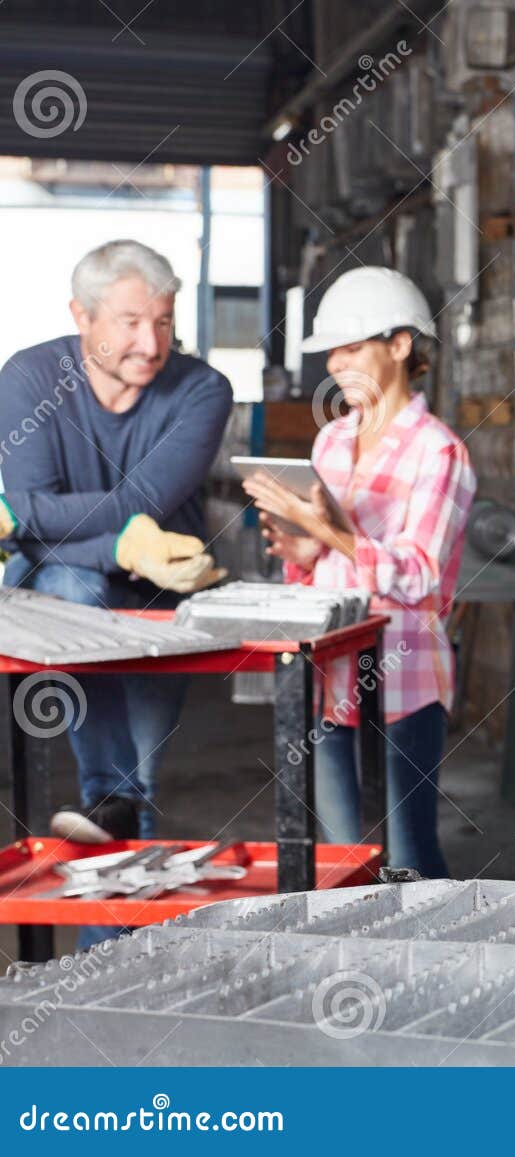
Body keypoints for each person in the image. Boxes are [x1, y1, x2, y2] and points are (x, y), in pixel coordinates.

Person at [243, 266, 475, 879]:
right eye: (332, 351)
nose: (337, 364)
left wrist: (325, 531)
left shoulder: (439, 451)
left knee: (408, 859)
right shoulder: (331, 444)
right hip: (329, 674)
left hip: (403, 680)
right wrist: (300, 550)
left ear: (401, 345)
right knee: (344, 863)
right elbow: (326, 565)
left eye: (353, 347)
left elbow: (420, 574)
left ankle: (445, 965)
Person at [0, 239, 229, 842]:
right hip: (57, 594)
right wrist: (114, 547)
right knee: (71, 580)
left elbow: (139, 505)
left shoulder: (202, 390)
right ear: (81, 315)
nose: (151, 345)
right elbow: (40, 547)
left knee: (139, 785)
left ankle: (120, 930)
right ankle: (110, 796)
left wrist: (21, 514)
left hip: (156, 601)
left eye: (163, 323)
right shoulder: (29, 377)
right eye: (130, 323)